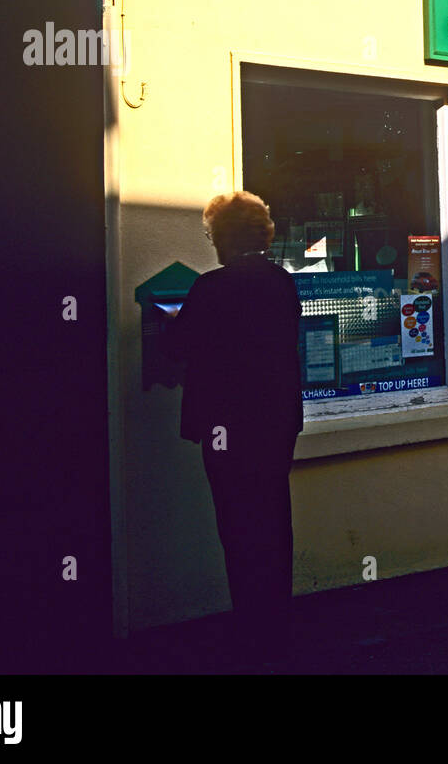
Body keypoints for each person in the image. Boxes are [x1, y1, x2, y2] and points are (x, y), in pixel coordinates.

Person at [163, 191, 302, 666]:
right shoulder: (282, 283)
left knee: (238, 525)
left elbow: (178, 347)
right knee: (273, 519)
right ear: (261, 234)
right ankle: (276, 625)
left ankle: (250, 628)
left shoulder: (211, 287)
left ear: (222, 238)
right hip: (276, 423)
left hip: (229, 429)